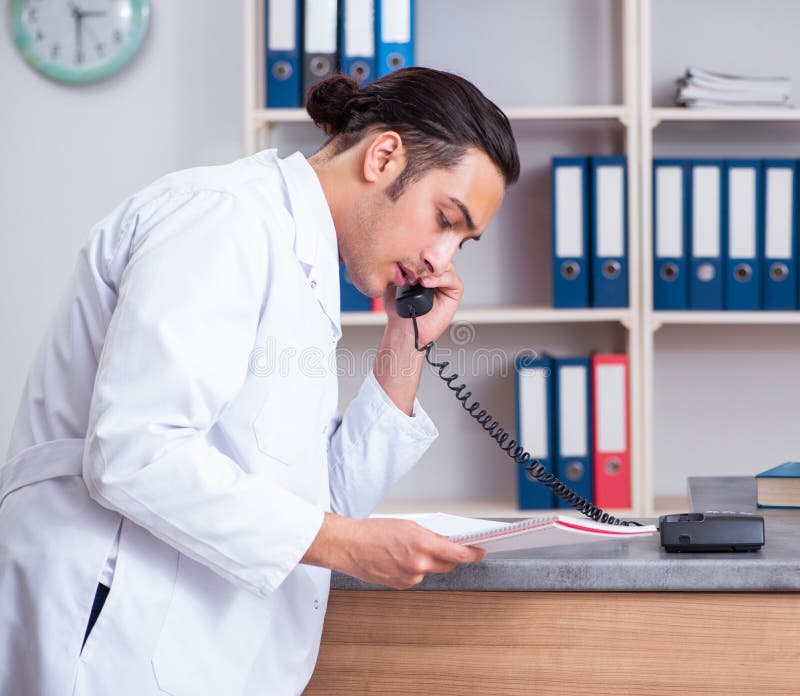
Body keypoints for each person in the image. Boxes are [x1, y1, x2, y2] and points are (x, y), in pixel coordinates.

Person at [0, 67, 520, 695]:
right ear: (384, 157)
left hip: (199, 648)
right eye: (445, 218)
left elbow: (321, 508)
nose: (444, 259)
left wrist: (404, 345)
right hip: (114, 631)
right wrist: (349, 544)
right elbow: (134, 453)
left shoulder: (302, 264)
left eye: (463, 242)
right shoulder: (222, 219)